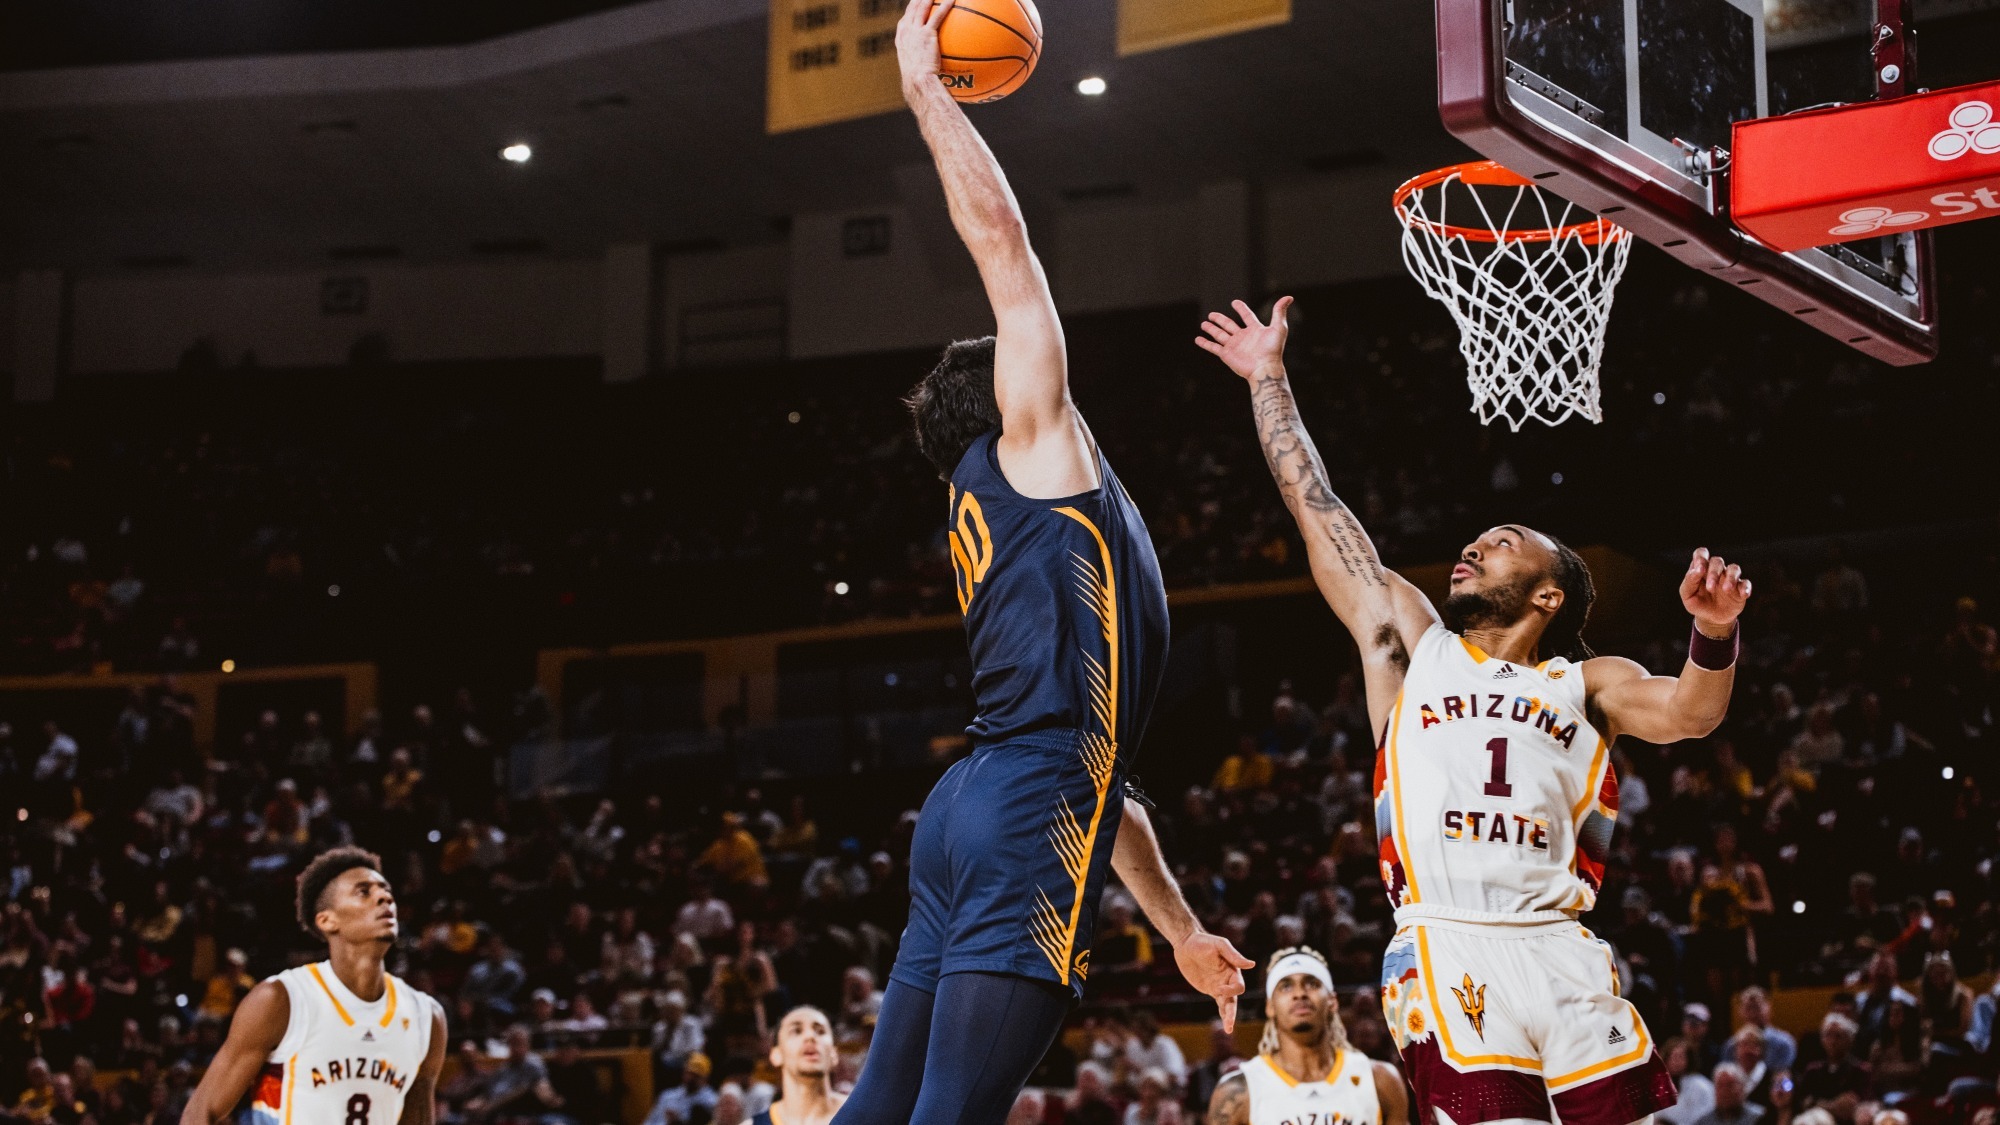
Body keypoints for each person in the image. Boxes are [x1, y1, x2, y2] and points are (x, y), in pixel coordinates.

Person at [832, 4, 1254, 1124]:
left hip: (971, 801)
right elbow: (1003, 253)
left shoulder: (996, 504)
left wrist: (1177, 932)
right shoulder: (1035, 451)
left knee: (876, 1110)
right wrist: (925, 90)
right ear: (1009, 398)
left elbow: (1102, 791)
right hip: (1023, 797)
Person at [1198, 296, 1753, 1125]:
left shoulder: (1589, 682)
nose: (1473, 546)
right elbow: (1318, 510)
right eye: (1475, 539)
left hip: (1560, 947)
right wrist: (1268, 379)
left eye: (1501, 540)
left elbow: (1693, 714)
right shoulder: (1408, 644)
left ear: (1546, 590)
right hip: (1446, 940)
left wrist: (1713, 632)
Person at [178, 846, 447, 1125]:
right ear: (327, 920)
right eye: (363, 892)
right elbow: (200, 1112)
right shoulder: (282, 999)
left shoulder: (426, 1017)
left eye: (385, 890)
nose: (384, 897)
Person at [1209, 947, 1409, 1125]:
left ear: (1332, 1001)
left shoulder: (1380, 1080)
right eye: (1286, 986)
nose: (1299, 993)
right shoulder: (1238, 1091)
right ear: (1270, 1006)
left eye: (1312, 983)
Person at [751, 1007, 845, 1125]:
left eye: (820, 1031)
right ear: (776, 1054)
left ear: (834, 1054)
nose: (810, 1036)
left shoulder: (865, 1116)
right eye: (796, 1031)